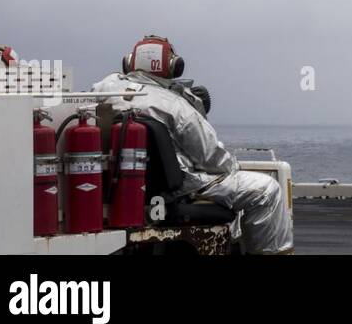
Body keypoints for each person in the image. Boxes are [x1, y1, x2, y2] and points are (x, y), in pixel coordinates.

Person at [91, 35, 292, 254]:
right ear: (174, 66)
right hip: (181, 186)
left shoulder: (102, 89)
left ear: (129, 62)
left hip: (118, 184)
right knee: (266, 191)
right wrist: (232, 166)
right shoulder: (176, 106)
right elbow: (213, 159)